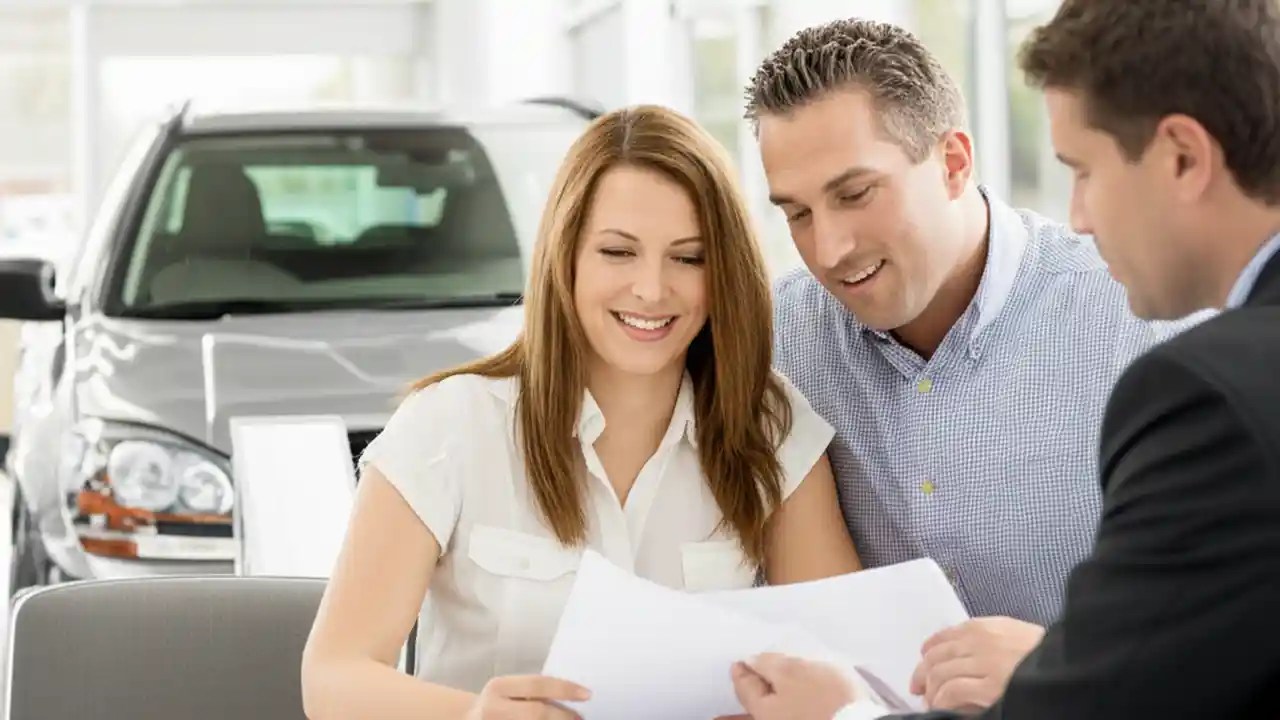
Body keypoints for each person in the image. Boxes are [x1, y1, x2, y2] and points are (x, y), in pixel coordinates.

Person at [729, 1, 1280, 718]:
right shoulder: (774, 346)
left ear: (954, 162)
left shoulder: (1158, 331)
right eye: (795, 213)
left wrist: (1060, 661)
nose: (829, 248)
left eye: (856, 193)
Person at [299, 105, 862, 720]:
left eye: (689, 257)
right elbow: (333, 679)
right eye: (618, 252)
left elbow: (847, 666)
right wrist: (474, 717)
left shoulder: (770, 427)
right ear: (566, 256)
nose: (651, 289)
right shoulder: (450, 424)